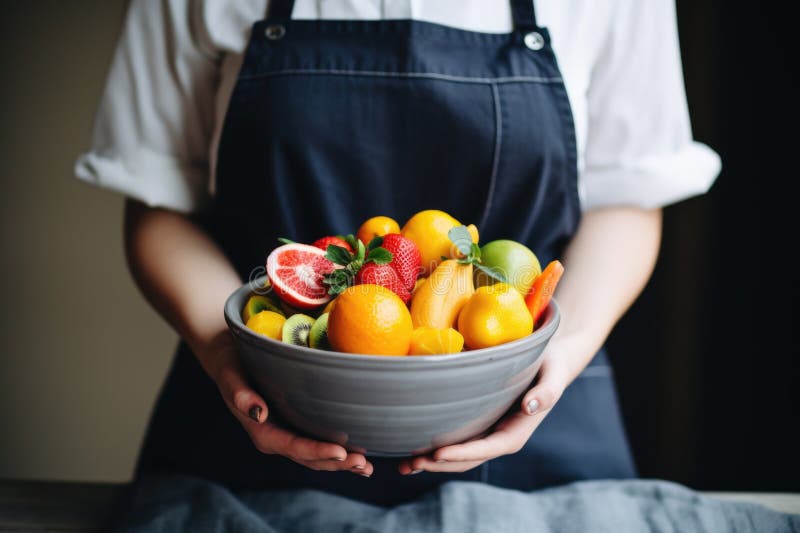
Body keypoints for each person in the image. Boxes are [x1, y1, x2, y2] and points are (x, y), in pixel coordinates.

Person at [75, 0, 720, 506]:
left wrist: (557, 358)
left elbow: (629, 199)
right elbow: (157, 205)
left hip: (541, 427)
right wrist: (225, 355)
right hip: (249, 435)